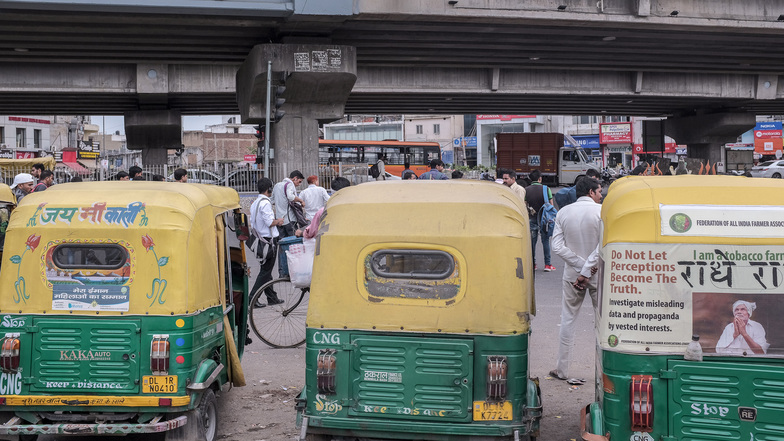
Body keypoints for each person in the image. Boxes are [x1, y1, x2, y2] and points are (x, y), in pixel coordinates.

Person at [549, 177, 603, 380]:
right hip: (598, 273)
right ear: (591, 192)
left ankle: (562, 370)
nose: (600, 195)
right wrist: (588, 269)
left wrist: (580, 268)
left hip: (573, 275)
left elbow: (557, 247)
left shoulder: (564, 212)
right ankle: (602, 372)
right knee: (602, 323)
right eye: (599, 192)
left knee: (568, 319)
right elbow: (603, 245)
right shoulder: (601, 212)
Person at [249, 177, 285, 308]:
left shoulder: (255, 203)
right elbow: (270, 222)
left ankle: (272, 297)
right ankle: (252, 298)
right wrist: (279, 221)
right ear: (269, 189)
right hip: (268, 242)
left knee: (266, 270)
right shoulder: (265, 203)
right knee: (265, 272)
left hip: (259, 240)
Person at [525, 169, 555, 271]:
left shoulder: (526, 190)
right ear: (540, 179)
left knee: (532, 242)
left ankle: (533, 264)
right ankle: (547, 265)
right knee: (545, 241)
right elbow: (551, 205)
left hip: (532, 219)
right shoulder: (546, 189)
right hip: (544, 220)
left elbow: (525, 205)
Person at [271, 170, 306, 237]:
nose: (299, 184)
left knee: (282, 242)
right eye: (299, 181)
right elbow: (290, 197)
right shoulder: (290, 184)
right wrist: (301, 201)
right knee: (292, 241)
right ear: (295, 178)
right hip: (290, 220)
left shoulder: (277, 185)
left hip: (279, 220)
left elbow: (272, 201)